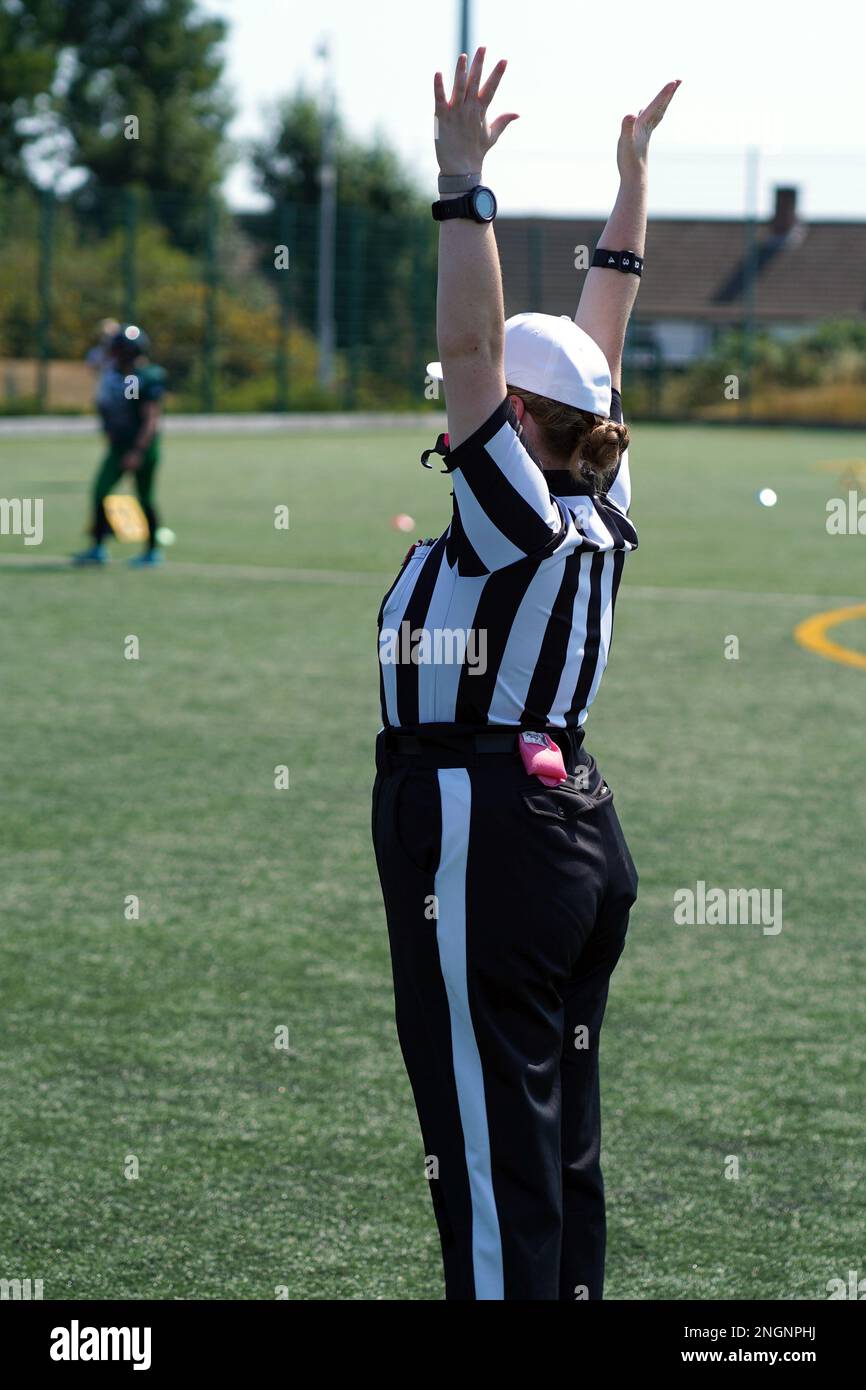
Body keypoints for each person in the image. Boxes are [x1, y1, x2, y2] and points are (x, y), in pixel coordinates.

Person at [372, 48, 679, 1300]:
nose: (462, 411)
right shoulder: (587, 487)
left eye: (489, 405)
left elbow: (474, 338)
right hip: (563, 831)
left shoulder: (514, 514)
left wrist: (461, 188)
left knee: (489, 1150)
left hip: (482, 826)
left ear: (516, 424)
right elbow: (584, 346)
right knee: (552, 1137)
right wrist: (628, 193)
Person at [73, 324, 168, 567]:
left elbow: (150, 419)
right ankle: (97, 547)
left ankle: (152, 550)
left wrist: (137, 450)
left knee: (144, 497)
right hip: (118, 447)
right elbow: (109, 408)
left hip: (141, 448)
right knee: (100, 491)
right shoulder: (116, 376)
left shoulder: (145, 377)